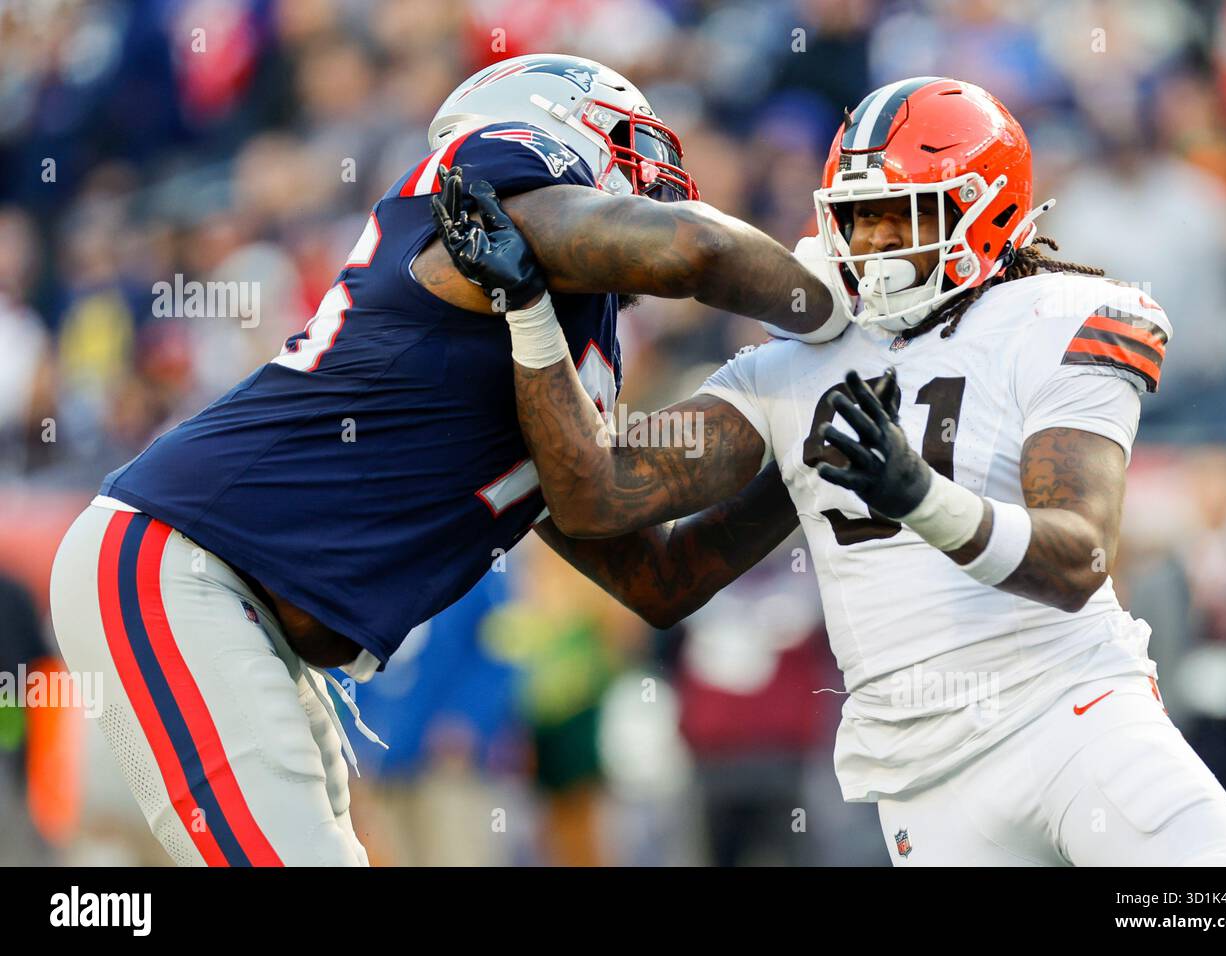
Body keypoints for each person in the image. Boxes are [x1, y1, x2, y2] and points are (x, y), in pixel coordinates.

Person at [441, 76, 1226, 866]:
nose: (870, 244)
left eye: (897, 217)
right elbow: (607, 502)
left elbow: (1078, 558)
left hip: (1071, 719)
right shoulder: (792, 367)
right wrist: (527, 327)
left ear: (984, 212)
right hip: (924, 780)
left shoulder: (1052, 317)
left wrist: (920, 497)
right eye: (858, 217)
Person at [47, 53, 849, 866]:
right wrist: (831, 308)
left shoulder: (552, 339)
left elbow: (658, 576)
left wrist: (811, 457)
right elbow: (691, 251)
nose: (659, 180)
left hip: (244, 613)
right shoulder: (480, 198)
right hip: (174, 566)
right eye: (630, 147)